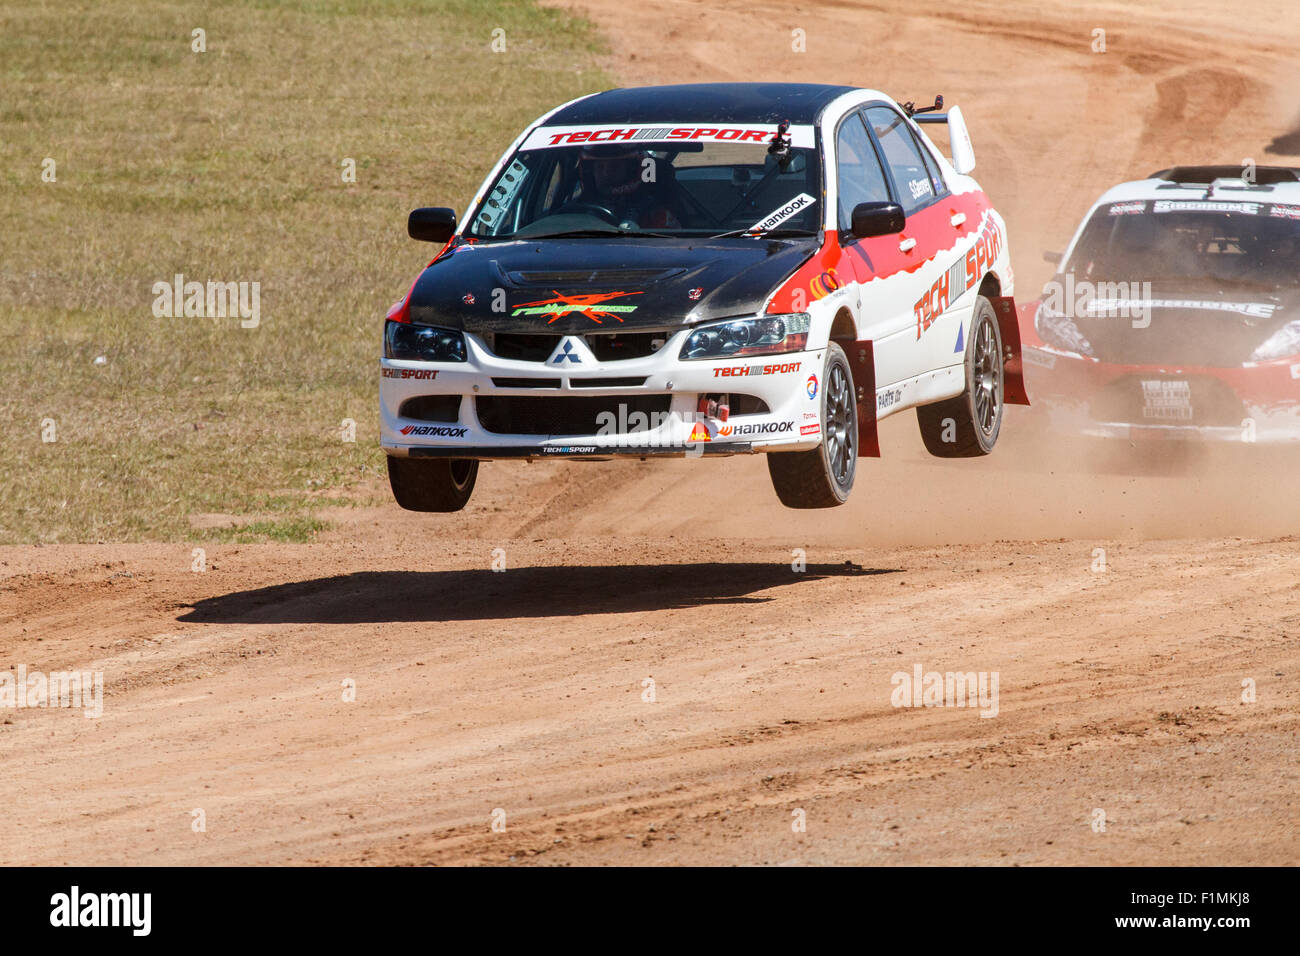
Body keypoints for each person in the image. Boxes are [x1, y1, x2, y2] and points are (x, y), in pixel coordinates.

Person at [577, 144, 682, 230]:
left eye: (615, 167)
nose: (605, 173)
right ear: (590, 172)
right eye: (599, 167)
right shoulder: (577, 209)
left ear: (632, 170)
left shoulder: (656, 214)